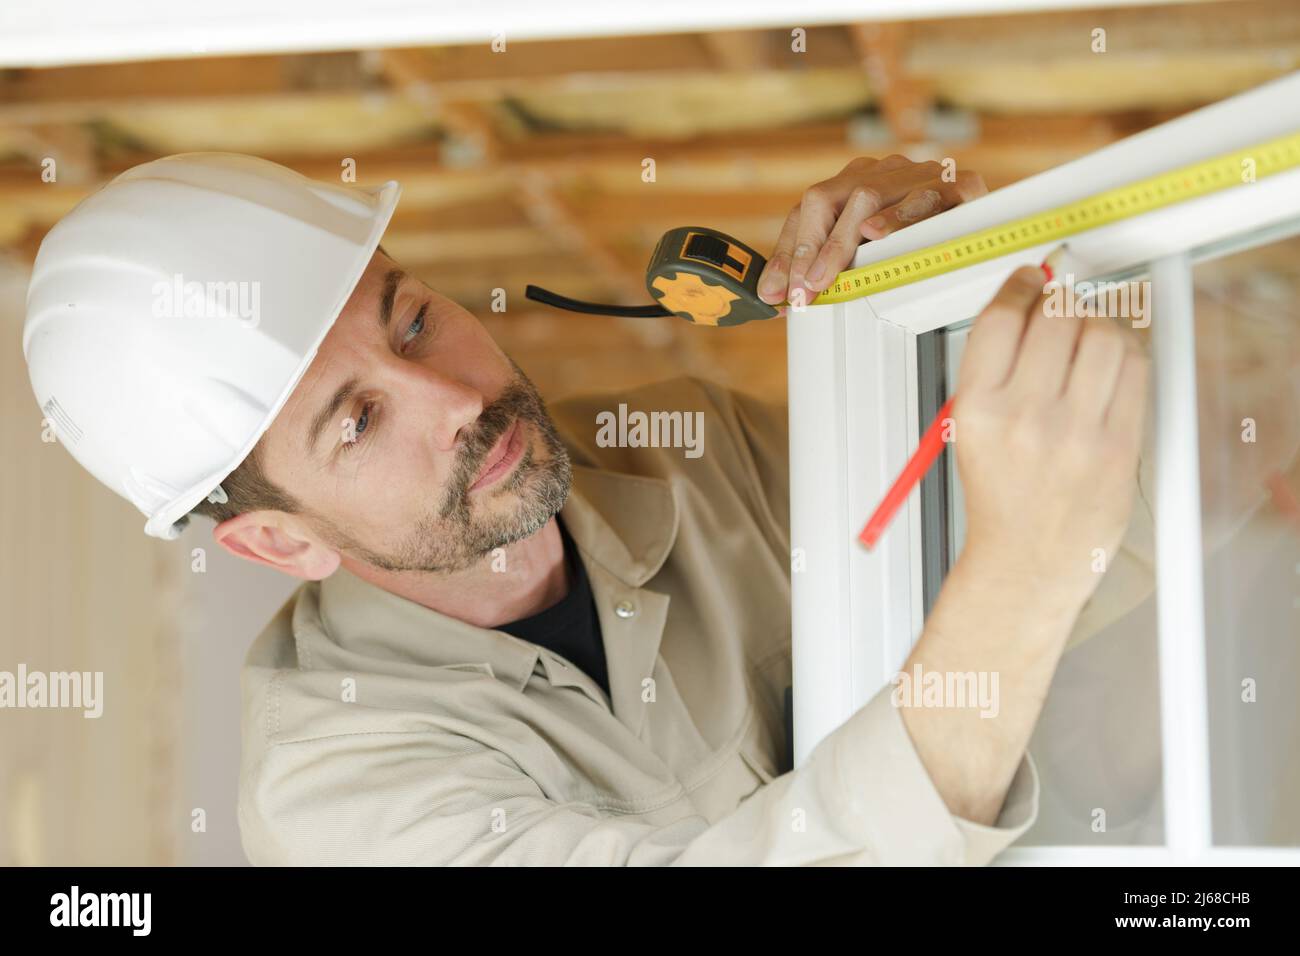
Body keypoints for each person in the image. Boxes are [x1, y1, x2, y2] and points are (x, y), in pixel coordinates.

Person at [23, 152, 1147, 865]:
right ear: (280, 538)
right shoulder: (337, 797)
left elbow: (1130, 540)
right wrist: (1020, 572)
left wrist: (966, 299)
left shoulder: (689, 449)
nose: (459, 396)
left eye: (411, 318)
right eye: (358, 420)